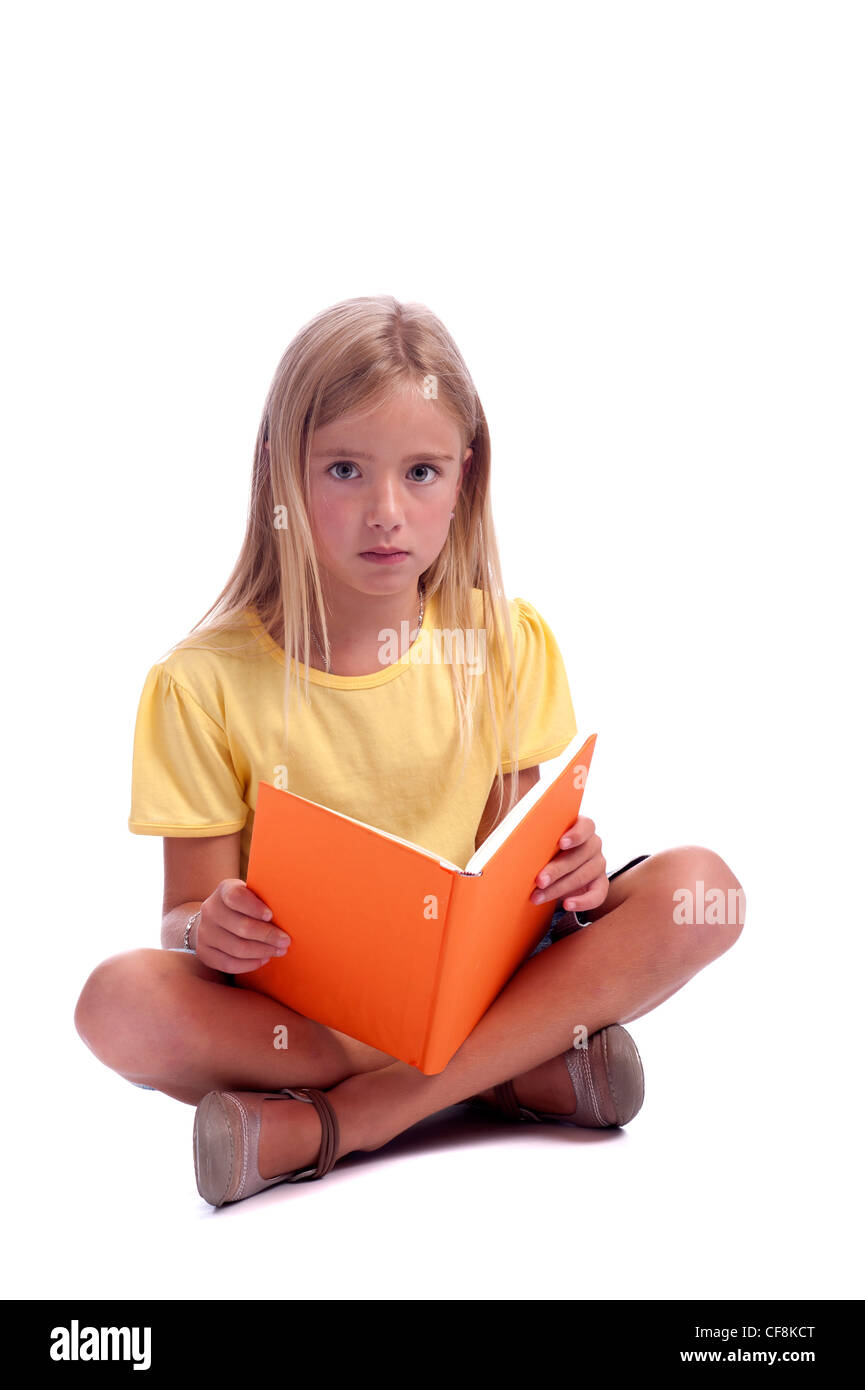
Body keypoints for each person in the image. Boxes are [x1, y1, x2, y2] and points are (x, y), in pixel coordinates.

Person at [74, 295, 745, 1207]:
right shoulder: (199, 684)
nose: (386, 512)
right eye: (344, 469)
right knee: (117, 1002)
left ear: (464, 478)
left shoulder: (504, 640)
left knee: (701, 889)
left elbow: (506, 872)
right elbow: (181, 916)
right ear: (279, 476)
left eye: (421, 472)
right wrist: (208, 928)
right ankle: (511, 1072)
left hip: (472, 988)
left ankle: (356, 1119)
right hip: (306, 1019)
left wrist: (571, 872)